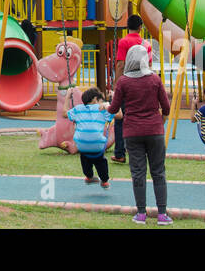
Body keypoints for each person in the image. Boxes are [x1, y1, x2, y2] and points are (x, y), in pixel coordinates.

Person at [108, 45, 171, 225]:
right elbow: (166, 107)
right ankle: (162, 214)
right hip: (155, 130)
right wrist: (160, 118)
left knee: (138, 173)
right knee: (158, 172)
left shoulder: (123, 82)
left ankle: (141, 213)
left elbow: (114, 108)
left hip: (132, 131)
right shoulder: (154, 79)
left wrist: (109, 101)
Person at [110, 14, 153, 165]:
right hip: (143, 83)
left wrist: (116, 85)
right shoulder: (146, 44)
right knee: (140, 117)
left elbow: (120, 64)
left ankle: (120, 153)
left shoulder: (124, 42)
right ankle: (141, 152)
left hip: (127, 83)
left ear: (127, 26)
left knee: (121, 118)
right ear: (141, 27)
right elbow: (149, 66)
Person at [67, 87, 114, 188]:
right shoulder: (101, 109)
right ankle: (105, 181)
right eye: (101, 101)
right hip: (97, 145)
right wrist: (111, 102)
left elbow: (64, 113)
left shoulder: (78, 109)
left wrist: (67, 96)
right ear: (95, 99)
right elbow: (119, 115)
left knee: (85, 157)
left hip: (81, 146)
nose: (102, 103)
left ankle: (88, 176)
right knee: (100, 161)